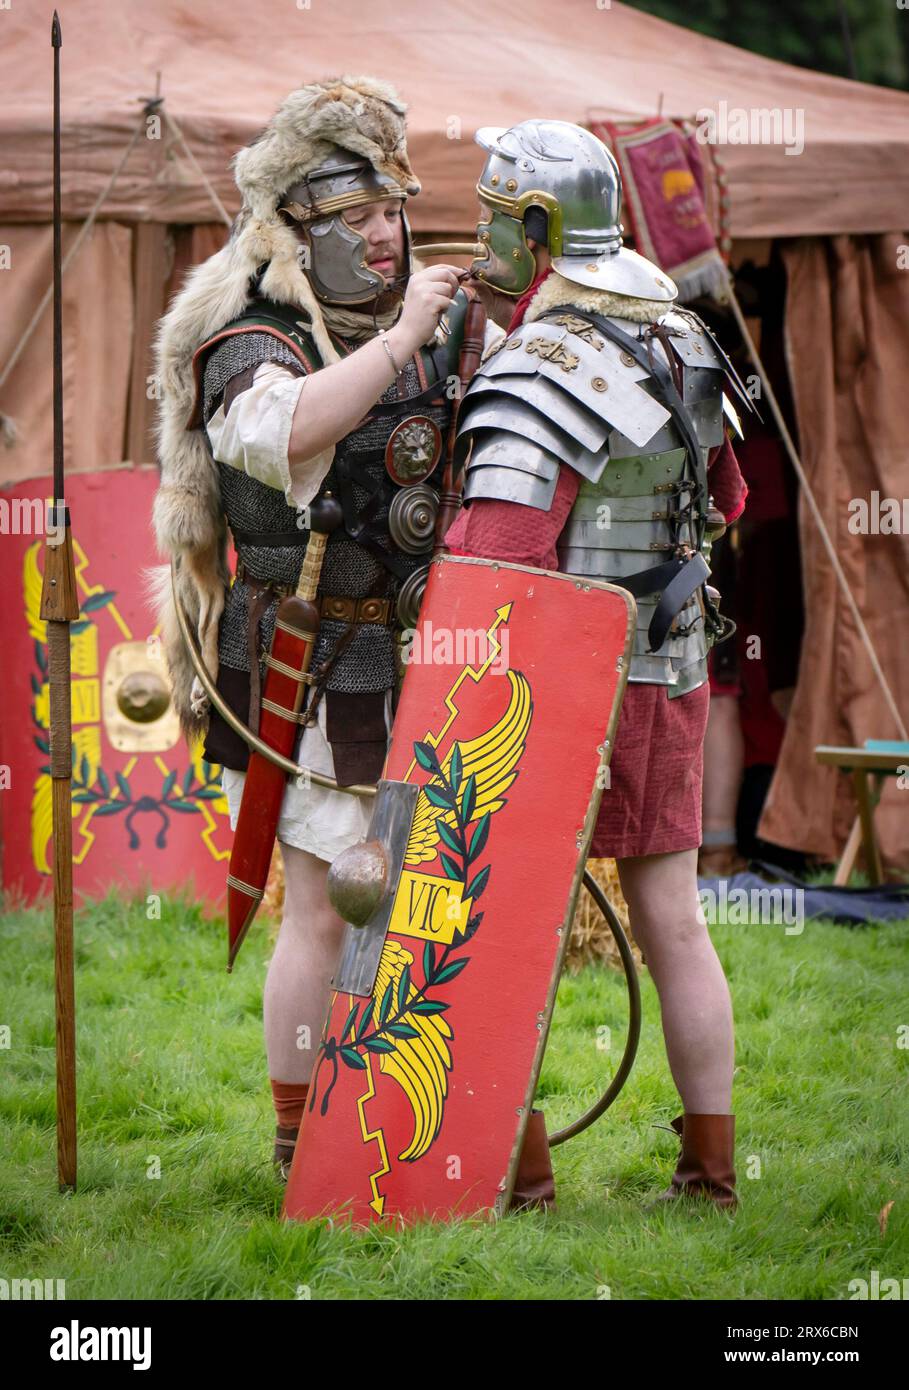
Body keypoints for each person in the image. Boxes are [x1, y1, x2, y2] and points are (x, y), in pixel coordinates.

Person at [151, 77, 486, 1178]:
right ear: (297, 227)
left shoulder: (430, 322)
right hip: (314, 655)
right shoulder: (252, 337)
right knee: (326, 905)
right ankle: (303, 1142)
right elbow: (286, 434)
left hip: (436, 659)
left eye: (392, 211)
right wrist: (403, 343)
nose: (386, 237)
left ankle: (432, 1127)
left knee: (436, 903)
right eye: (357, 218)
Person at [446, 119, 751, 1209]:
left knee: (502, 912)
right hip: (670, 672)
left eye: (492, 216)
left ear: (534, 227)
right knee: (675, 913)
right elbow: (726, 504)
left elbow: (499, 561)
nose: (481, 239)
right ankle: (712, 1173)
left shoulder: (540, 357)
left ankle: (520, 1180)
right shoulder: (683, 332)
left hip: (552, 692)